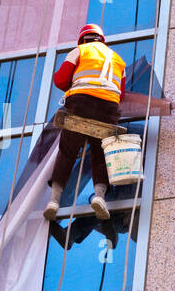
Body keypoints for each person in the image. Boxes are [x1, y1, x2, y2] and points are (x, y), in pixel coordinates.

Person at [43, 22, 126, 223]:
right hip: (108, 109)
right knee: (100, 153)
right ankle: (99, 197)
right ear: (101, 39)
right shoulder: (118, 59)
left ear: (83, 38)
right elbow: (121, 94)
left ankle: (54, 201)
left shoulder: (79, 51)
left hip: (81, 103)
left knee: (68, 151)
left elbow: (60, 80)